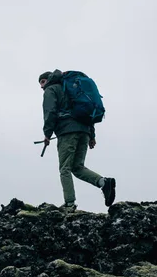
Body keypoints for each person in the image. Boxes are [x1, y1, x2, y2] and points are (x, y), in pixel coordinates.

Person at [39, 69, 116, 212]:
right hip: (84, 131)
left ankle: (69, 204)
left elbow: (49, 112)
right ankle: (104, 183)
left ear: (49, 79)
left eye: (43, 82)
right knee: (77, 167)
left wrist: (47, 134)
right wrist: (92, 135)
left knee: (65, 169)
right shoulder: (70, 88)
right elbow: (85, 110)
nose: (41, 86)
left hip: (68, 132)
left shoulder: (51, 90)